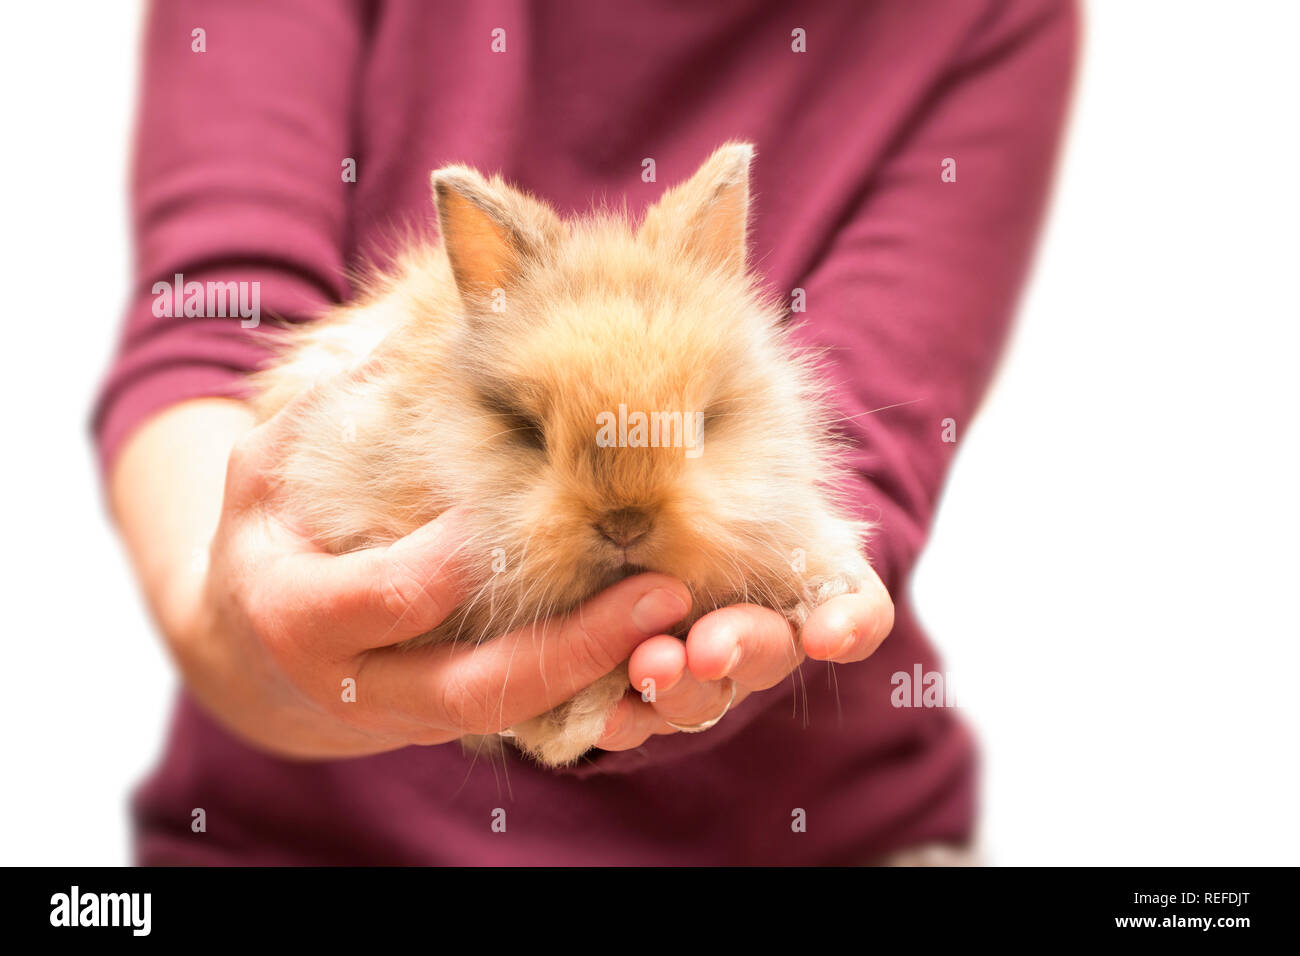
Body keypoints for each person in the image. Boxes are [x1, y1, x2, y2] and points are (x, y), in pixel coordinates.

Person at [97, 0, 1076, 864]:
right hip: (301, 836)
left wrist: (753, 597)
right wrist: (233, 622)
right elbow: (213, 329)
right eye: (532, 432)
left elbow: (865, 453)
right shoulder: (408, 400)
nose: (621, 509)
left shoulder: (988, 14)